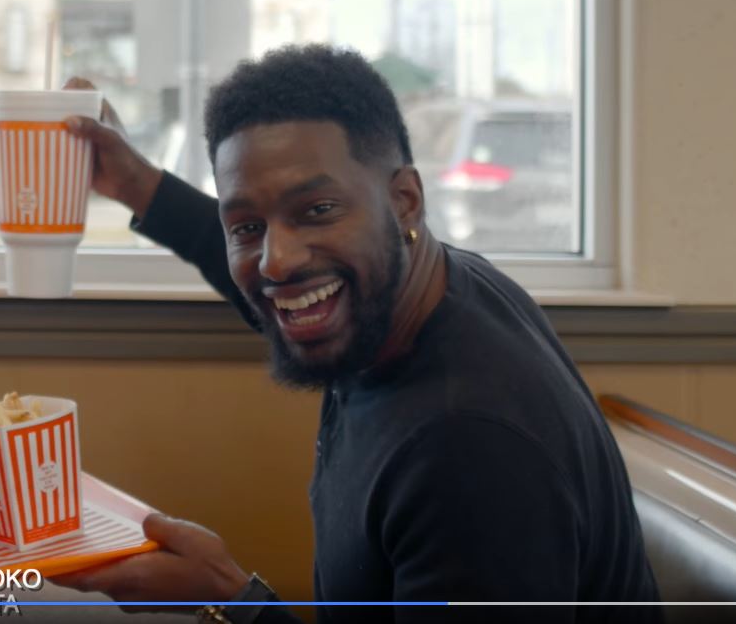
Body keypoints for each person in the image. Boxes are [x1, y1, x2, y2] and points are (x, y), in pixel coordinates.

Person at [56, 46, 660, 623]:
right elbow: (287, 277)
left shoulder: (464, 451)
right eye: (247, 226)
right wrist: (135, 182)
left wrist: (232, 602)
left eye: (317, 210)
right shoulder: (424, 289)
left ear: (404, 201)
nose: (277, 261)